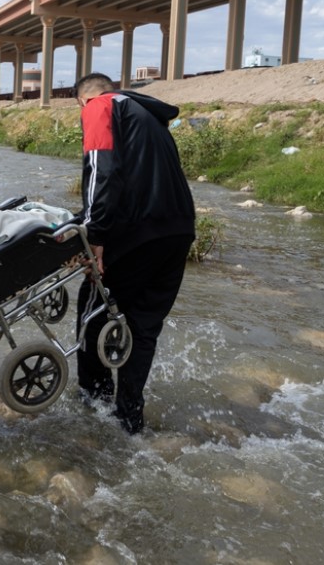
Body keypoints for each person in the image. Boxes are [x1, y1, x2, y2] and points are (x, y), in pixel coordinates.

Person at [73, 72, 195, 434]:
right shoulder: (150, 118)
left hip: (137, 232)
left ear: (83, 100)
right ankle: (129, 420)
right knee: (142, 327)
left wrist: (93, 234)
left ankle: (93, 404)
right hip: (178, 232)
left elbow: (102, 171)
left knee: (93, 307)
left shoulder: (100, 106)